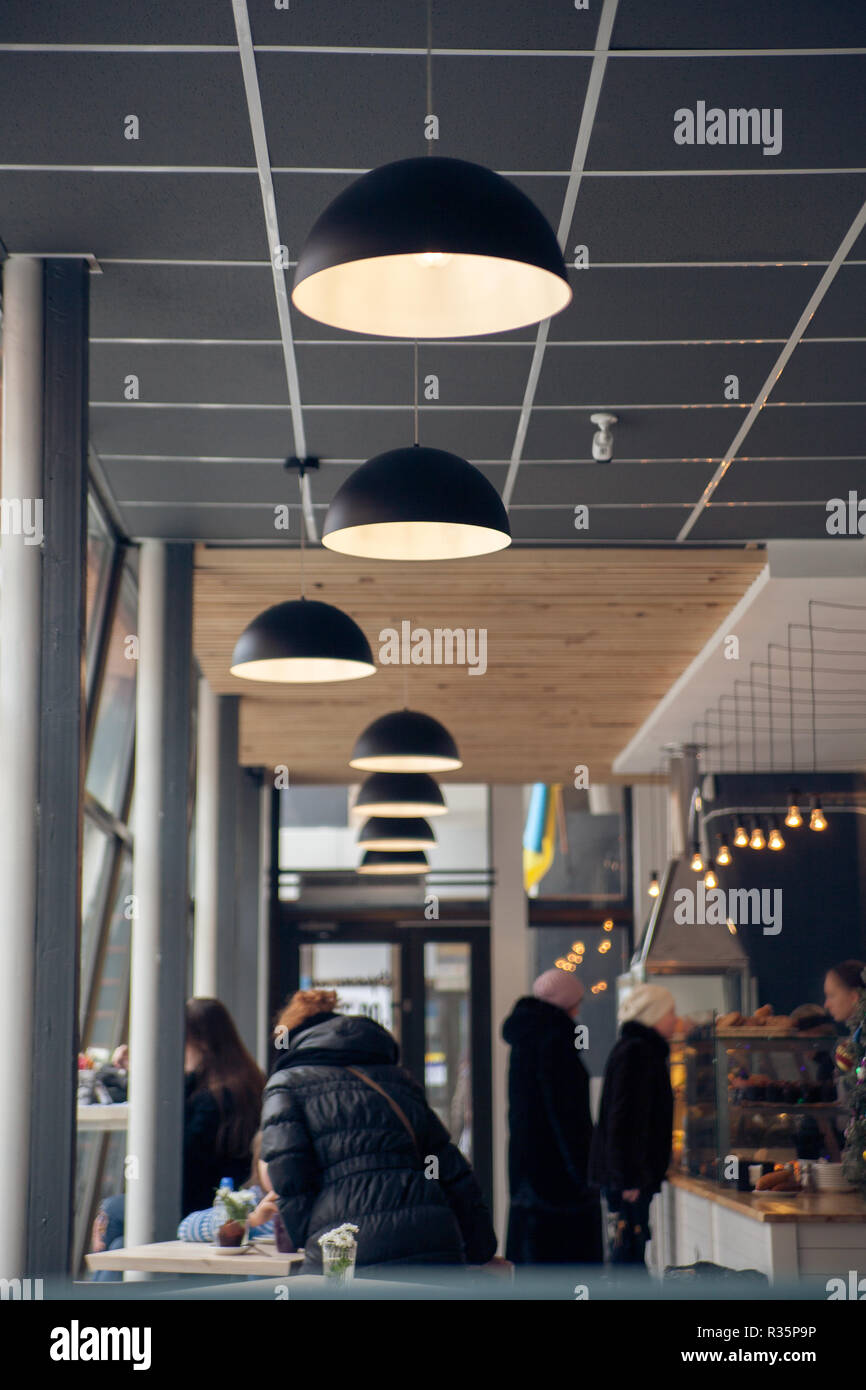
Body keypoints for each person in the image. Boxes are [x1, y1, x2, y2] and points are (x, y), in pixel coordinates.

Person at [261, 988, 499, 1274]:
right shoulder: (397, 1081)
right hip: (432, 1241)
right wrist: (480, 1246)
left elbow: (289, 1174)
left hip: (350, 1247)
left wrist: (311, 1234)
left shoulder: (286, 1084)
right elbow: (447, 1167)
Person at [90, 997, 265, 1277]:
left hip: (199, 1209)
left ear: (200, 1042)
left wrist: (150, 1074)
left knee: (112, 1209)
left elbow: (176, 1155)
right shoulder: (245, 1083)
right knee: (121, 1244)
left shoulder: (211, 1099)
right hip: (220, 1203)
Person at [501, 968, 602, 1264]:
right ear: (565, 1004)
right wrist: (586, 1176)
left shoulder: (525, 1040)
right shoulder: (555, 1041)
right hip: (558, 1187)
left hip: (528, 1175)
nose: (578, 1010)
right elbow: (567, 1118)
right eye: (576, 1003)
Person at [589, 983, 676, 1268]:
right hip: (629, 1178)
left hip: (630, 1175)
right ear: (654, 1015)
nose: (675, 1019)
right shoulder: (639, 1052)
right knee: (629, 1254)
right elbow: (624, 1121)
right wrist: (628, 1179)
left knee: (629, 1250)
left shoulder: (635, 1048)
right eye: (670, 1013)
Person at [177, 1131, 280, 1243]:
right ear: (257, 1165)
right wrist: (249, 1220)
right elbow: (186, 1228)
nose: (276, 1166)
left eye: (286, 1160)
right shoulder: (250, 1202)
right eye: (268, 1158)